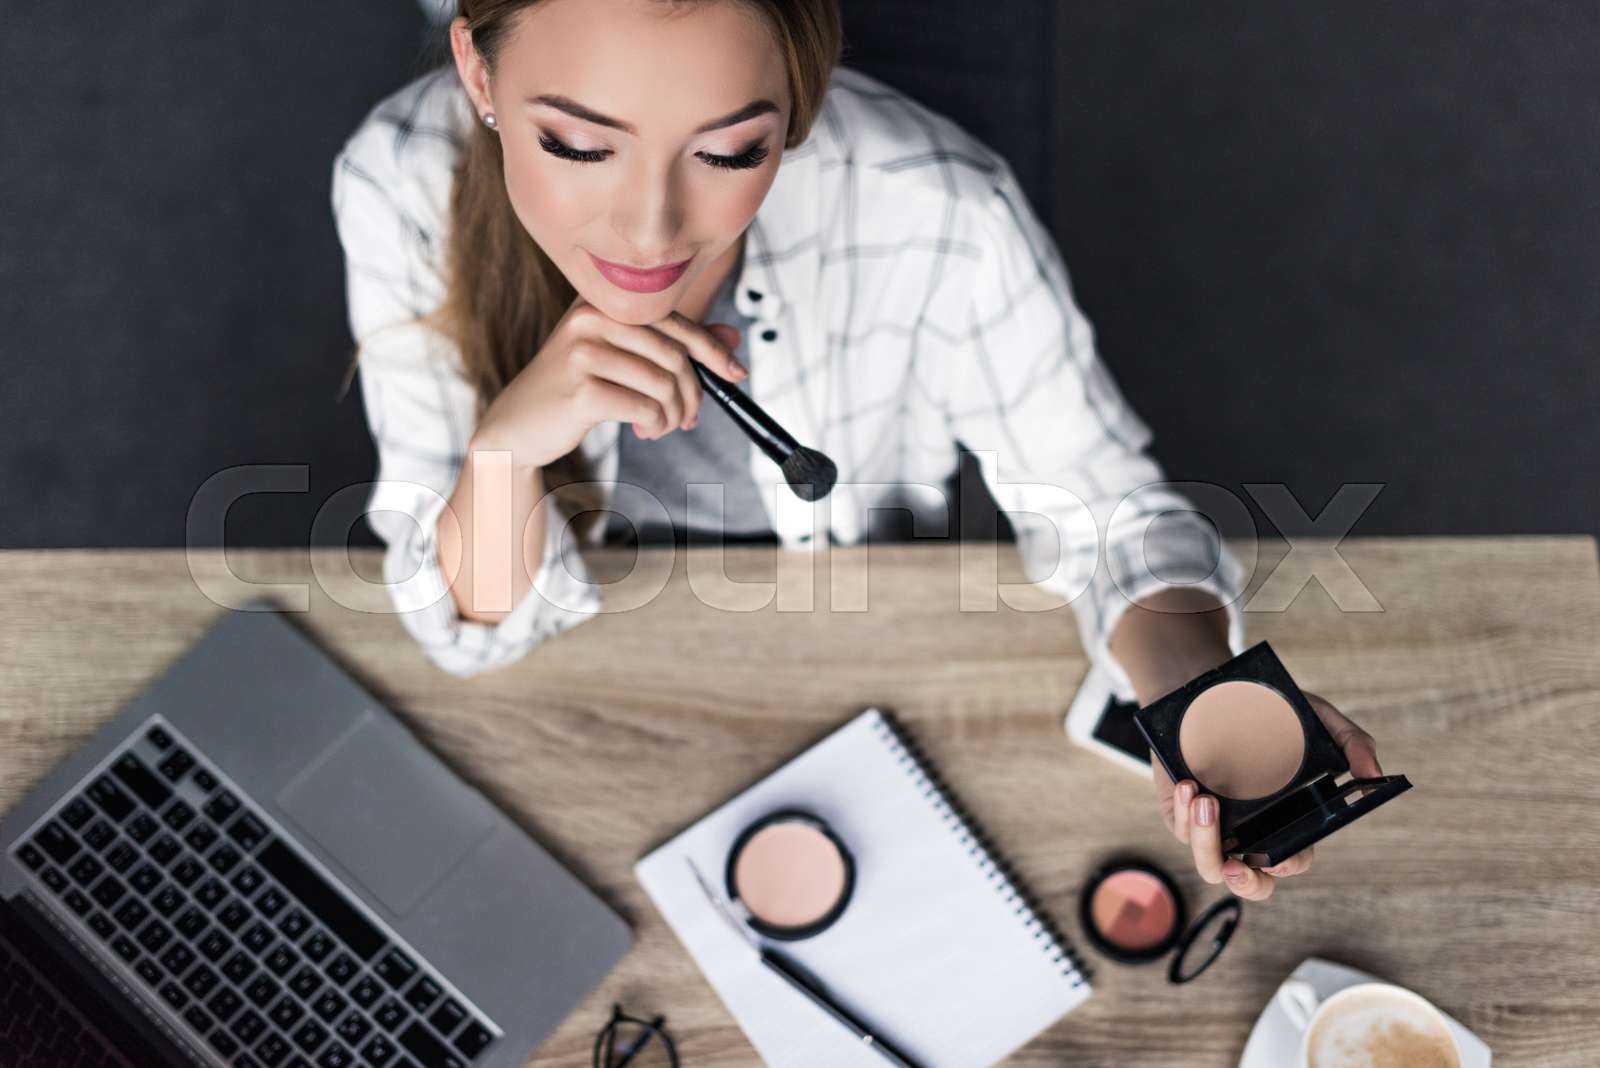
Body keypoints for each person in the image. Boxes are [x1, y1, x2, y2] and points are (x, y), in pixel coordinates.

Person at [329, 0, 1381, 902]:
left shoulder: (937, 204)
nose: (649, 233)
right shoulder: (400, 181)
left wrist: (1209, 704)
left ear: (797, 103)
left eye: (730, 152)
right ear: (478, 73)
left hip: (854, 629)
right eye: (576, 144)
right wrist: (506, 455)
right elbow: (465, 637)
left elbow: (1108, 518)